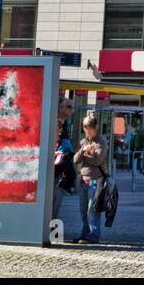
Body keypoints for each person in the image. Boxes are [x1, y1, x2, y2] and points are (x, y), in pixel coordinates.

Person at [73, 114, 107, 244]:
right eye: (86, 127)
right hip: (83, 180)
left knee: (92, 210)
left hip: (95, 180)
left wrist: (87, 155)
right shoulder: (83, 142)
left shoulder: (101, 142)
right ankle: (85, 233)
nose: (88, 130)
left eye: (91, 127)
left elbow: (98, 160)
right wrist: (84, 150)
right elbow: (76, 160)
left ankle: (94, 235)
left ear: (96, 127)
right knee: (83, 210)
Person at [52, 98, 75, 225]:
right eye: (69, 107)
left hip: (60, 173)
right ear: (60, 108)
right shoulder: (54, 122)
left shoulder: (65, 124)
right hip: (53, 171)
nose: (72, 110)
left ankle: (51, 231)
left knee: (56, 204)